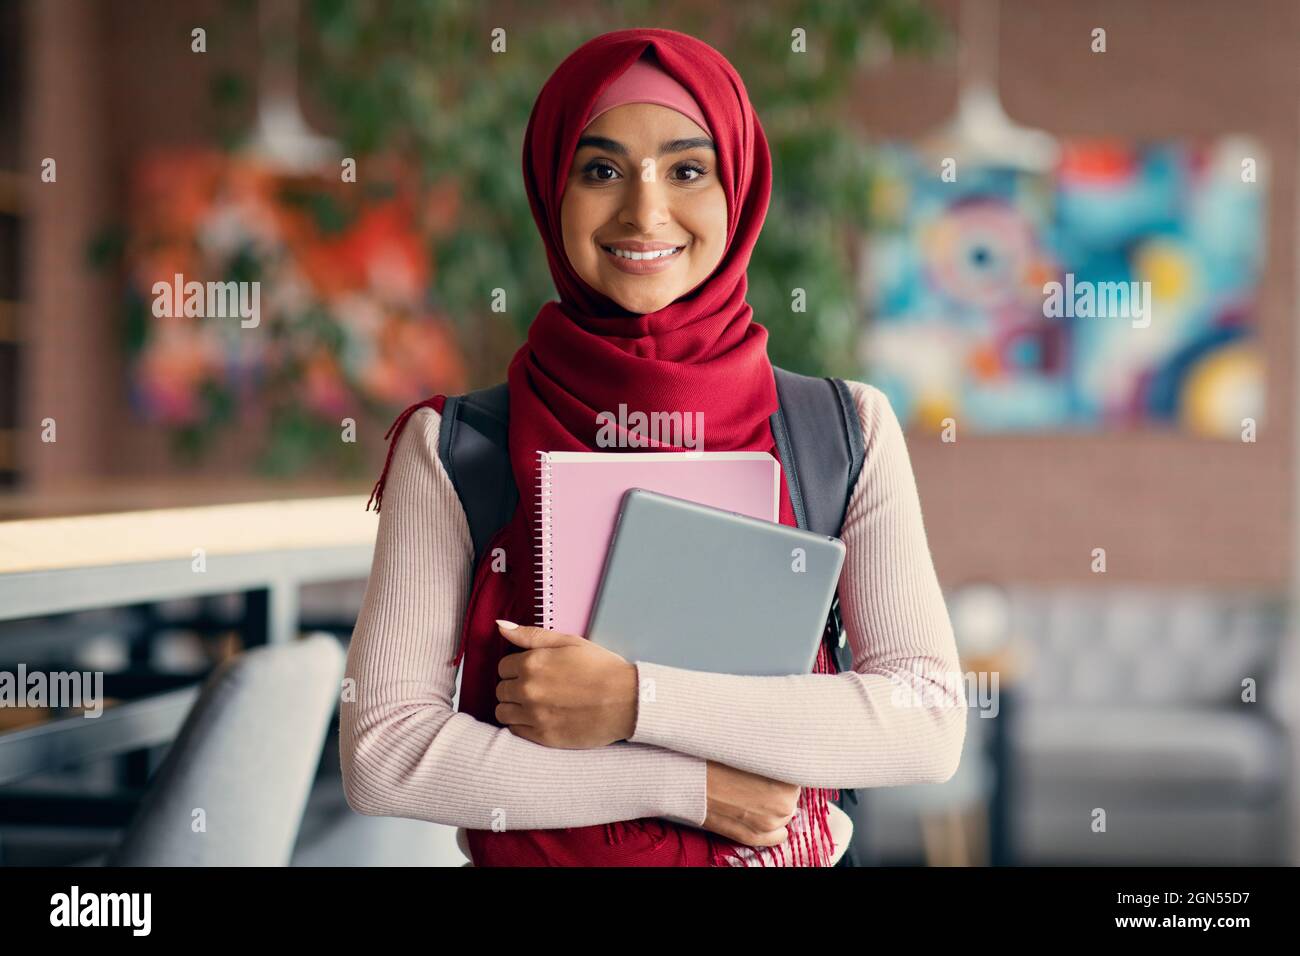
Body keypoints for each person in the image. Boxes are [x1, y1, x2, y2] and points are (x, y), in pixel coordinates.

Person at [340, 27, 966, 867]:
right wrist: (690, 786)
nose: (644, 210)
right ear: (549, 191)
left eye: (687, 169)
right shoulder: (456, 449)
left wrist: (636, 702)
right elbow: (383, 755)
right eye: (600, 170)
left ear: (737, 188)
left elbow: (925, 723)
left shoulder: (841, 430)